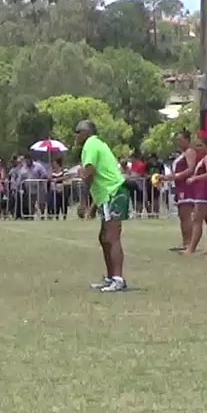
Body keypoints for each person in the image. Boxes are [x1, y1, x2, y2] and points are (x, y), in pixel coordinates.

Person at [76, 120, 129, 293]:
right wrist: (93, 206)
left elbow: (89, 173)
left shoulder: (90, 144)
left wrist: (83, 202)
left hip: (112, 192)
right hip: (107, 194)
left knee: (112, 237)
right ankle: (110, 277)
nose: (76, 136)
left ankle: (118, 279)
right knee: (104, 237)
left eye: (78, 132)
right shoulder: (97, 144)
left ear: (86, 133)